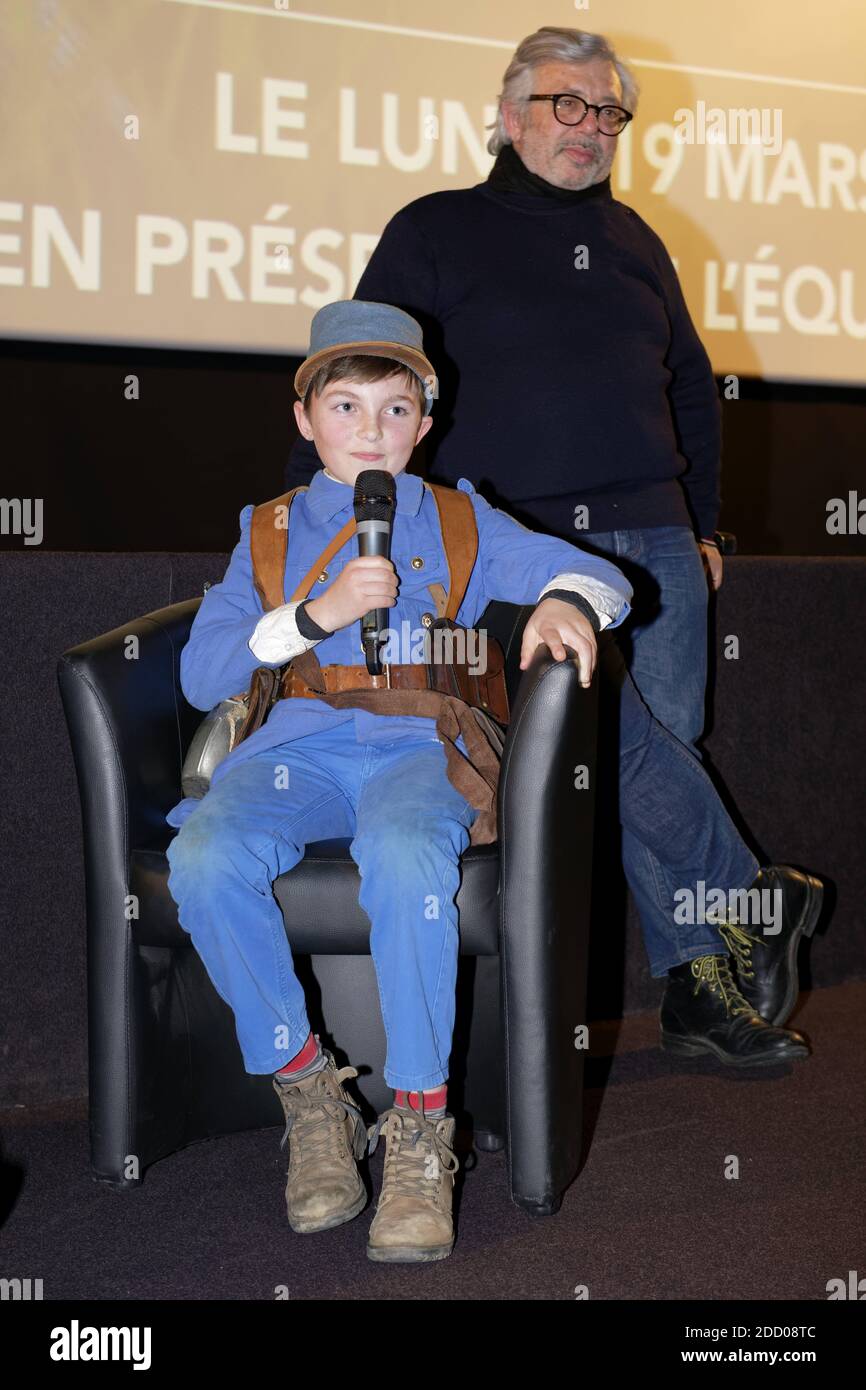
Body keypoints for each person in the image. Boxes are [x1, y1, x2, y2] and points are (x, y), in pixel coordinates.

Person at [165, 300, 819, 1265]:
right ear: (305, 420)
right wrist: (313, 616)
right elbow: (201, 670)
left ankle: (423, 1130)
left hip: (421, 751)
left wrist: (561, 600)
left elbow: (608, 583)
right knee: (205, 854)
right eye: (345, 409)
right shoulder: (267, 532)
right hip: (295, 751)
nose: (371, 434)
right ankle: (309, 1097)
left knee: (405, 850)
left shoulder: (460, 515)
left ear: (425, 422)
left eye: (395, 411)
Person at [283, 27, 783, 1019]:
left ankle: (698, 990)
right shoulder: (432, 227)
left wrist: (707, 529)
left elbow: (689, 384)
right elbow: (362, 381)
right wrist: (321, 524)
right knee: (617, 752)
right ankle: (747, 910)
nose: (587, 128)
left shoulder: (639, 240)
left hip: (655, 539)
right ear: (509, 117)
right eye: (565, 104)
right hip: (509, 549)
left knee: (661, 748)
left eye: (605, 112)